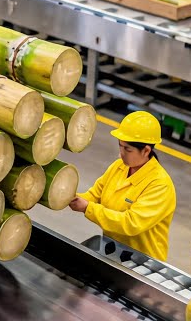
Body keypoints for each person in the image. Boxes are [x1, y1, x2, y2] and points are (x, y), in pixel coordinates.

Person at [68, 111, 176, 261]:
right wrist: (70, 196)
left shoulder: (160, 185)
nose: (121, 153)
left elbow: (131, 223)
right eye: (120, 146)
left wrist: (88, 208)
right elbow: (95, 194)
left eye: (128, 149)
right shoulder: (119, 166)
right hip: (113, 250)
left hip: (143, 262)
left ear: (146, 150)